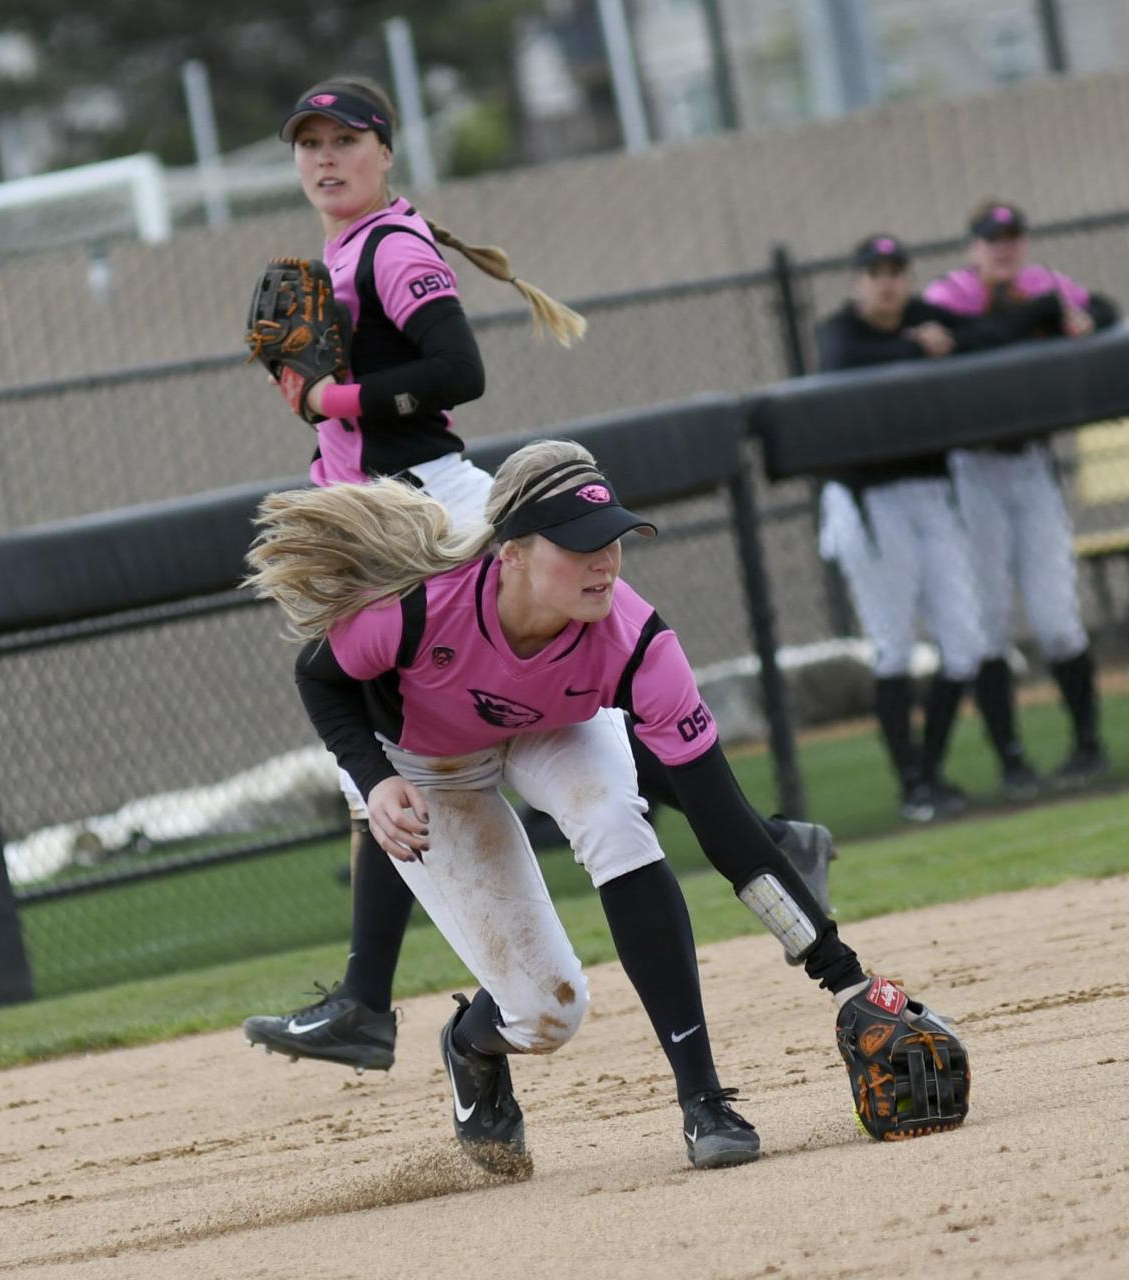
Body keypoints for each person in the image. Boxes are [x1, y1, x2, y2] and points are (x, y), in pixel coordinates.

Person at [242, 75, 836, 1074]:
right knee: (397, 735)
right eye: (309, 142)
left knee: (489, 705)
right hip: (388, 512)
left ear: (386, 151)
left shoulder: (392, 248)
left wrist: (329, 396)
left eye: (345, 138)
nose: (325, 157)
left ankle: (365, 1001)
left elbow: (457, 370)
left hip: (431, 509)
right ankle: (364, 1000)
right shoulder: (348, 250)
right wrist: (321, 407)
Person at [243, 438, 963, 1170]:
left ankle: (704, 1102)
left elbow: (724, 825)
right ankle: (469, 1044)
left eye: (612, 539)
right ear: (512, 553)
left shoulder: (638, 643)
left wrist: (845, 976)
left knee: (617, 820)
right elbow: (319, 678)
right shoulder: (421, 609)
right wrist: (373, 779)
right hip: (431, 763)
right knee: (548, 1014)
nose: (605, 563)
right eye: (578, 545)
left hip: (555, 727)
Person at [816, 234, 1050, 820]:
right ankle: (913, 787)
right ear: (858, 281)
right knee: (894, 645)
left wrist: (947, 340)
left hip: (930, 492)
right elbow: (843, 360)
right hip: (869, 497)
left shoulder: (923, 316)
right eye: (876, 272)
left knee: (965, 646)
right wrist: (915, 348)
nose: (887, 282)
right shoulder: (842, 329)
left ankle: (927, 773)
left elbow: (984, 335)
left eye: (896, 271)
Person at [923, 200, 1118, 789]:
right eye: (993, 238)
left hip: (1031, 465)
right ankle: (1011, 760)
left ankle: (1088, 744)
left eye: (1012, 236)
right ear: (974, 245)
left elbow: (1104, 308)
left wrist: (1078, 319)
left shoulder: (1041, 282)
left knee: (1057, 618)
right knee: (990, 621)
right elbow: (973, 335)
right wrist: (1040, 314)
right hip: (973, 468)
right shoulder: (950, 293)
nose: (1004, 247)